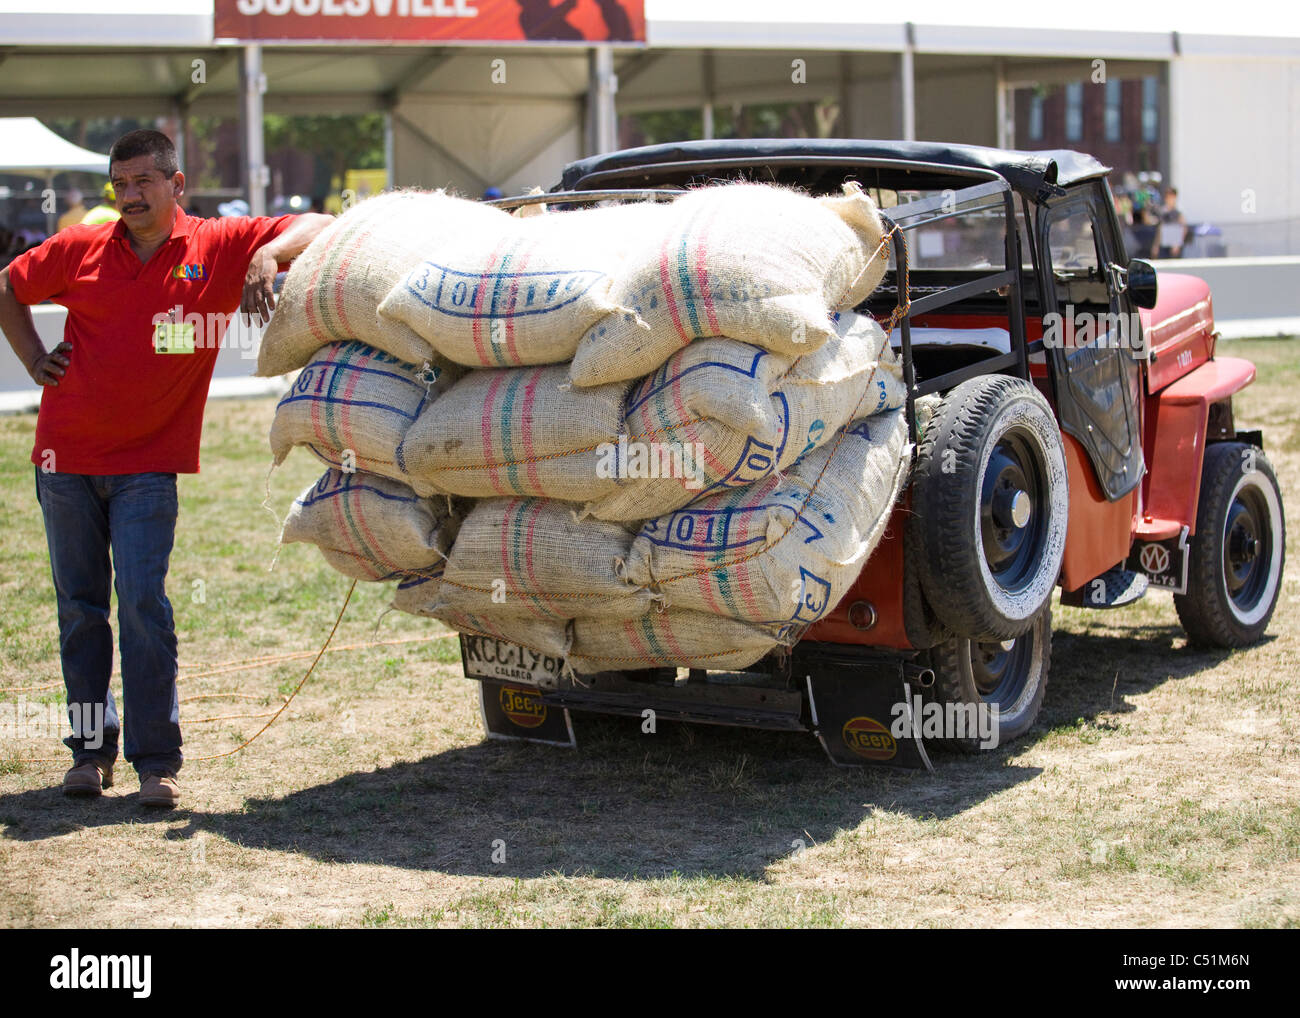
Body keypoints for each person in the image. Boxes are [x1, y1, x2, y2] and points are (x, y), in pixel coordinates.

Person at [0, 129, 332, 808]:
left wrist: (268, 253)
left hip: (149, 467)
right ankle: (89, 757)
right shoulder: (83, 247)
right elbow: (7, 284)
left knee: (144, 605)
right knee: (80, 611)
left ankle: (157, 763)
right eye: (118, 186)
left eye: (142, 183)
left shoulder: (217, 243)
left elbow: (323, 223)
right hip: (64, 463)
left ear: (176, 185)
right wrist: (35, 360)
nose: (128, 197)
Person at [1156, 187, 1186, 259]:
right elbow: (1160, 229)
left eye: (1171, 197)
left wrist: (1177, 244)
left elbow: (1184, 228)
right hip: (1164, 244)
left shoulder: (1178, 212)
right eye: (1167, 197)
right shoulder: (1163, 211)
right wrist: (1156, 245)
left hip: (1174, 246)